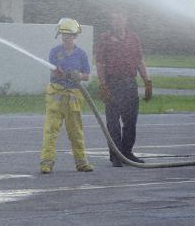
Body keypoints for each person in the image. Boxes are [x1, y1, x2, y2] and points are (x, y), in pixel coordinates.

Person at [95, 11, 152, 167]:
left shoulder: (133, 38)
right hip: (112, 83)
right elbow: (100, 63)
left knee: (130, 121)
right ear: (111, 21)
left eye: (120, 19)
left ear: (126, 20)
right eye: (114, 19)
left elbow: (139, 61)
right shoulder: (105, 38)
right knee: (113, 122)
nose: (117, 22)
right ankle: (115, 155)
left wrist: (147, 81)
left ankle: (127, 152)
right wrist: (103, 84)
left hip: (130, 83)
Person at [40, 18, 94, 174]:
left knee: (76, 132)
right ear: (60, 35)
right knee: (51, 131)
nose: (66, 37)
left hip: (73, 97)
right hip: (56, 95)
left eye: (69, 35)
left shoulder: (81, 54)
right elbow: (53, 70)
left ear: (75, 36)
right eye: (63, 34)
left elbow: (87, 76)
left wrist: (78, 75)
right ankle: (47, 162)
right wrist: (59, 73)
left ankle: (81, 163)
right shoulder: (55, 52)